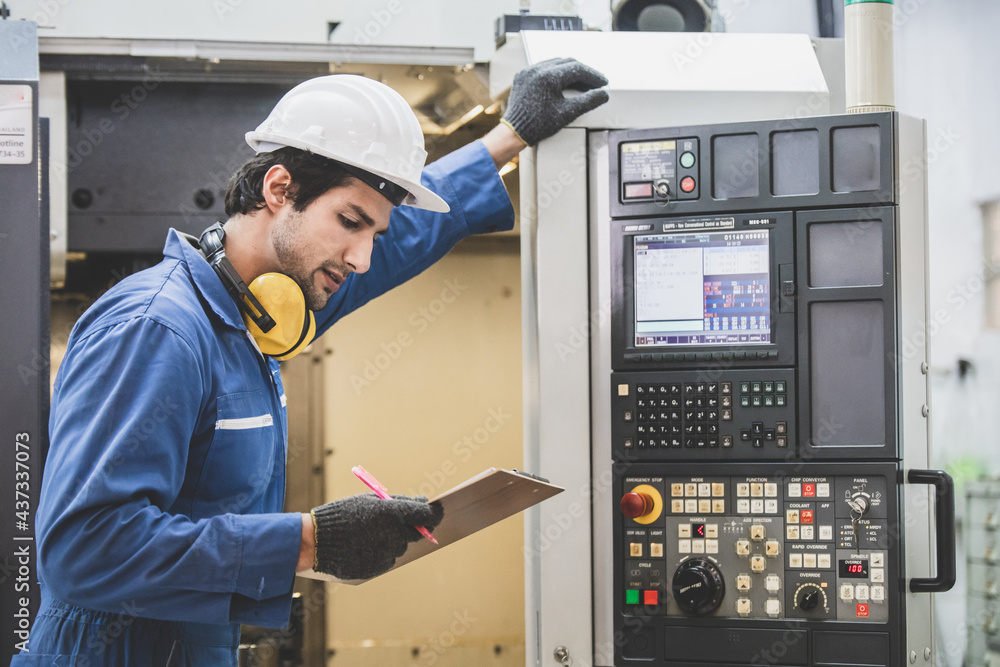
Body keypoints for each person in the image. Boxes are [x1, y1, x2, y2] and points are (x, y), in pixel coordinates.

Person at [12, 58, 608, 665]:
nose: (363, 258)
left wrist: (508, 137)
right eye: (350, 222)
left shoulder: (262, 314)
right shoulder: (160, 329)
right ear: (278, 190)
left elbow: (405, 240)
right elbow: (82, 549)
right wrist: (309, 542)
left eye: (372, 231)